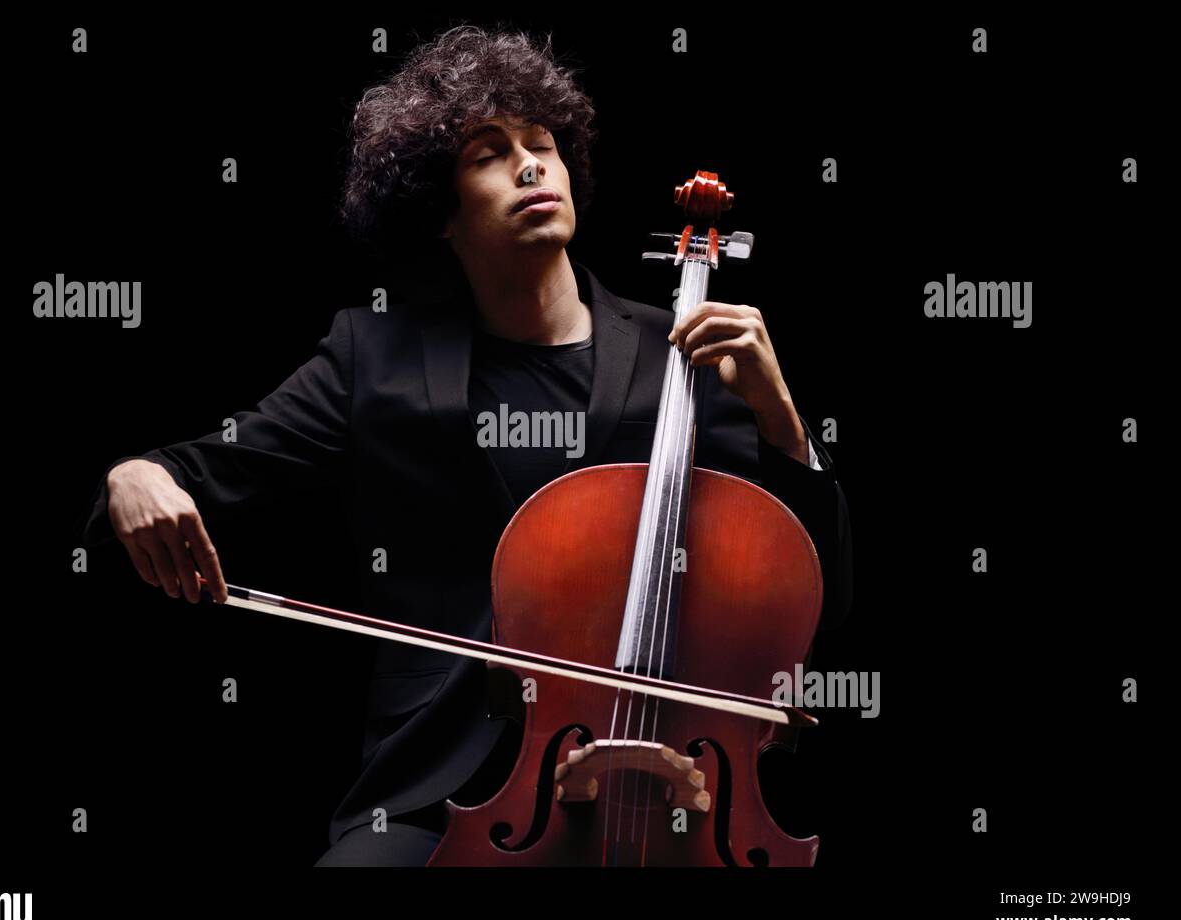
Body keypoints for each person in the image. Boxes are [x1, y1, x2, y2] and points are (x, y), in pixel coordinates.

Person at [82, 24, 853, 866]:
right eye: (489, 154)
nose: (529, 166)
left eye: (542, 145)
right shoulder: (371, 357)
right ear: (438, 210)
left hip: (668, 787)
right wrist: (135, 474)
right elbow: (204, 467)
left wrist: (784, 425)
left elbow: (819, 595)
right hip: (440, 789)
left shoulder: (685, 355)